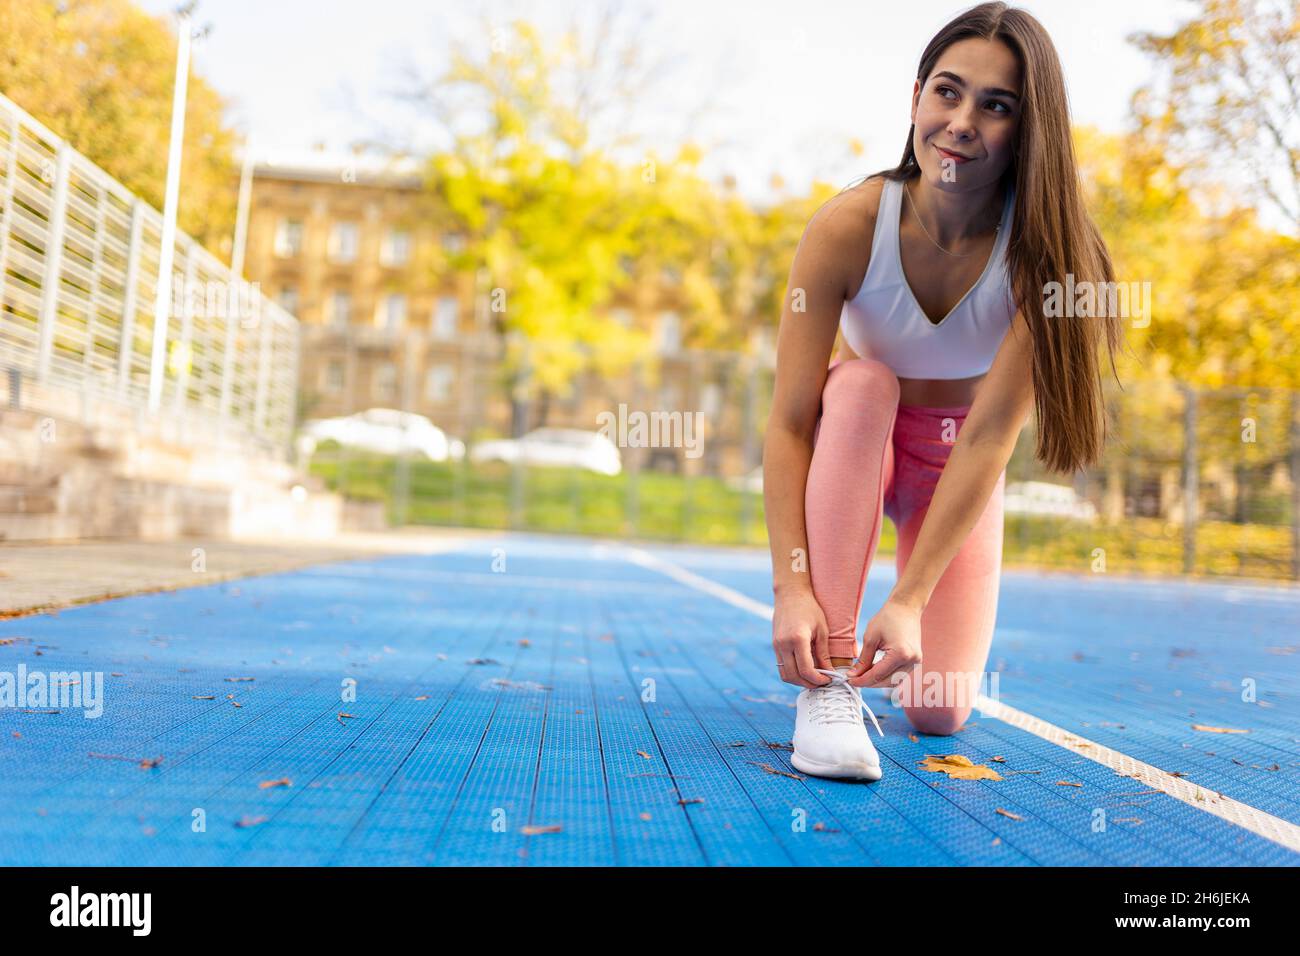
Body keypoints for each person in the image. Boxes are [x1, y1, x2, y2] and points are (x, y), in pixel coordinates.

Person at [763, 1, 1127, 780]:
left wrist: (911, 600)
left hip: (956, 459)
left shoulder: (1046, 259)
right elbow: (793, 422)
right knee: (860, 385)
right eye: (947, 92)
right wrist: (792, 587)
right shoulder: (847, 227)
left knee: (939, 707)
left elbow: (992, 437)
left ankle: (889, 643)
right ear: (917, 98)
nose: (962, 122)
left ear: (1029, 132)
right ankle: (828, 685)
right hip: (857, 445)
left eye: (996, 106)